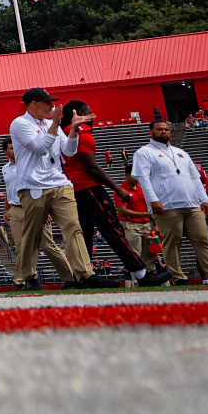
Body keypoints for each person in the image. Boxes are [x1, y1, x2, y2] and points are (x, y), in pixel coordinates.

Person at [5, 89, 109, 289]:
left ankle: (85, 275)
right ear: (34, 104)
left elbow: (68, 150)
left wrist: (74, 130)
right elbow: (40, 148)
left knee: (73, 227)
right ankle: (29, 277)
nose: (52, 106)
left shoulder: (50, 123)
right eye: (48, 103)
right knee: (33, 234)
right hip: (33, 186)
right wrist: (54, 124)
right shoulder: (20, 123)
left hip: (59, 183)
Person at [60, 103, 158, 287]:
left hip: (73, 188)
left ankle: (83, 277)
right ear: (78, 114)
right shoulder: (82, 134)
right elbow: (92, 168)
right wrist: (117, 188)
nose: (93, 116)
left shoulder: (63, 132)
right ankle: (141, 274)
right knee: (113, 229)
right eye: (89, 112)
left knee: (83, 234)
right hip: (88, 186)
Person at [132, 118, 208, 285]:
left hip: (192, 204)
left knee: (203, 240)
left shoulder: (181, 152)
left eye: (166, 129)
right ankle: (178, 277)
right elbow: (143, 178)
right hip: (167, 205)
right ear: (151, 132)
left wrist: (204, 199)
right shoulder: (144, 152)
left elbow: (194, 178)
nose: (164, 132)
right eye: (159, 129)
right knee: (172, 242)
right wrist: (153, 200)